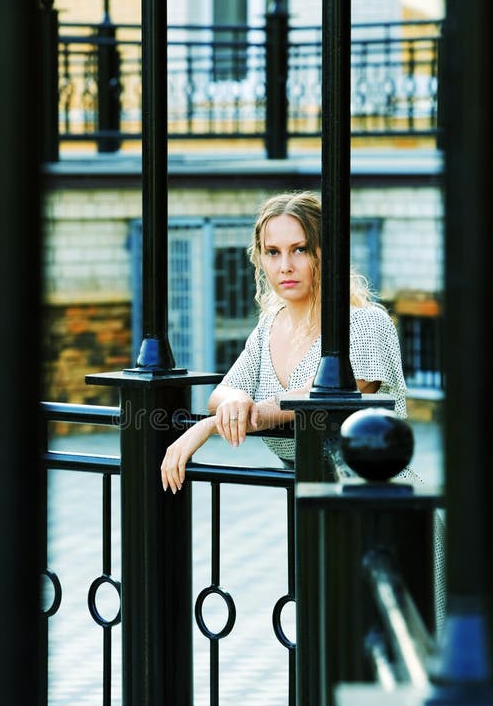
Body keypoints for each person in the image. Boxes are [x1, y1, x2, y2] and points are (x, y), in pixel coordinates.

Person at [160, 190, 407, 495]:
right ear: (259, 257)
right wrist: (235, 399)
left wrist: (209, 425)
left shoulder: (365, 323)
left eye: (300, 249)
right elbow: (221, 393)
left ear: (326, 251)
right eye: (272, 252)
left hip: (376, 503)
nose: (285, 266)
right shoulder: (270, 325)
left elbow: (318, 400)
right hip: (309, 501)